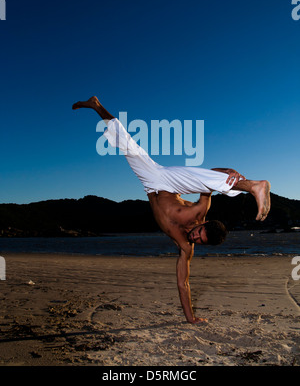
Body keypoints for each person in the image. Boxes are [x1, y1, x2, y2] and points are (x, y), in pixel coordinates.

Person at [72, 96, 271, 324]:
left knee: (126, 144)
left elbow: (182, 283)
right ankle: (253, 186)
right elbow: (202, 178)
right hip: (168, 181)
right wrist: (226, 170)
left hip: (149, 182)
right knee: (207, 185)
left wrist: (191, 319)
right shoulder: (199, 212)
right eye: (199, 231)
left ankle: (96, 105)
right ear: (203, 223)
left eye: (199, 240)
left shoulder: (186, 247)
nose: (194, 235)